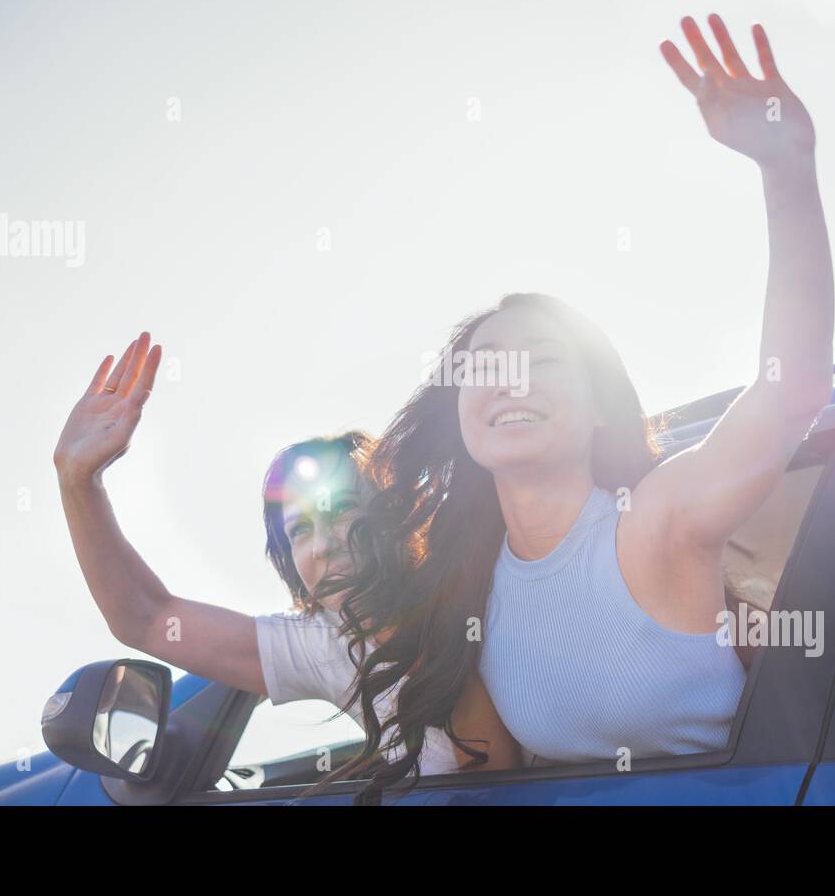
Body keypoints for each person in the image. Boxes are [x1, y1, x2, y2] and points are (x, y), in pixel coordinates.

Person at [335, 13, 835, 790]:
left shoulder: (654, 522)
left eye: (542, 361)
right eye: (486, 365)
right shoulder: (466, 586)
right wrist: (76, 481)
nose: (510, 380)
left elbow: (791, 388)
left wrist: (787, 167)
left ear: (600, 405)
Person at [52, 335, 521, 788]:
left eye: (340, 512)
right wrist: (77, 479)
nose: (321, 545)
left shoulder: (475, 592)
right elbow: (147, 617)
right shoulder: (329, 643)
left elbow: (497, 784)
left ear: (392, 511)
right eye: (299, 530)